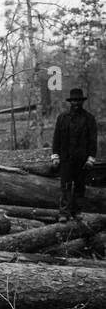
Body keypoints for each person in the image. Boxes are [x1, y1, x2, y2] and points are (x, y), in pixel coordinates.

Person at [52, 87, 98, 220]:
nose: (76, 103)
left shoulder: (89, 119)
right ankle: (64, 213)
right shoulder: (62, 118)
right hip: (66, 159)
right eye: (73, 101)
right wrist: (55, 156)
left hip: (82, 160)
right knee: (65, 186)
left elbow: (93, 140)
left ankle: (77, 212)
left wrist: (91, 158)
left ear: (82, 101)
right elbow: (56, 138)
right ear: (70, 102)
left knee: (79, 186)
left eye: (78, 100)